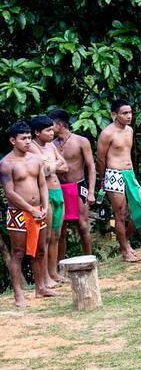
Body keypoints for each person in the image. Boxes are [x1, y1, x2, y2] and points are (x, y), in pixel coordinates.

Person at [1, 122, 51, 305]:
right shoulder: (6, 163)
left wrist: (45, 206)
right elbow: (10, 193)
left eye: (29, 138)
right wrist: (30, 209)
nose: (28, 141)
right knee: (19, 253)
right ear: (13, 140)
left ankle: (41, 288)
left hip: (38, 211)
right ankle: (18, 295)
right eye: (23, 138)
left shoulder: (35, 159)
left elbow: (42, 185)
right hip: (18, 213)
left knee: (40, 250)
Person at [97, 99, 141, 262]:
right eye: (124, 113)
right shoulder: (107, 133)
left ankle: (124, 242)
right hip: (114, 173)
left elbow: (127, 153)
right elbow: (100, 159)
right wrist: (103, 179)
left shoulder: (130, 131)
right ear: (114, 115)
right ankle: (126, 250)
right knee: (120, 214)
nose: (129, 116)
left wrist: (131, 174)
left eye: (130, 112)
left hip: (129, 173)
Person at [49, 109, 95, 261]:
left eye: (52, 125)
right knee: (60, 230)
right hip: (59, 188)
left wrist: (91, 191)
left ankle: (90, 260)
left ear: (60, 124)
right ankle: (61, 265)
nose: (49, 128)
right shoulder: (51, 145)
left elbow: (91, 166)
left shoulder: (81, 141)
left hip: (79, 186)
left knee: (83, 226)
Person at [30, 116, 68, 287]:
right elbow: (44, 171)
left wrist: (51, 164)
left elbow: (65, 166)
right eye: (48, 130)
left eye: (52, 129)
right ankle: (44, 276)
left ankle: (53, 273)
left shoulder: (51, 146)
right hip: (45, 194)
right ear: (37, 132)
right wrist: (54, 164)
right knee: (45, 238)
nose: (52, 133)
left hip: (58, 191)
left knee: (56, 235)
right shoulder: (32, 146)